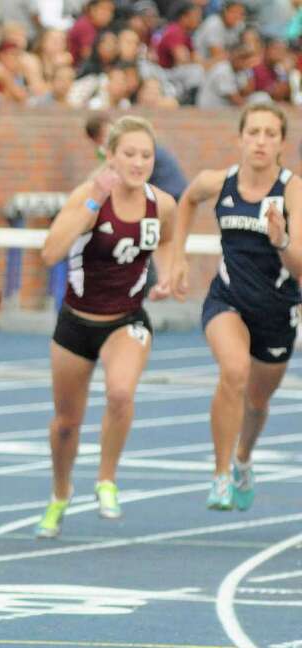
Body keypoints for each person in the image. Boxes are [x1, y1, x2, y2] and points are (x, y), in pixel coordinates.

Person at [35, 116, 178, 538]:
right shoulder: (88, 196)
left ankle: (106, 479)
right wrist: (93, 203)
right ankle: (60, 494)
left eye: (146, 155)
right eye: (129, 154)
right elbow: (50, 253)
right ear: (110, 155)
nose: (137, 163)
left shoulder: (161, 204)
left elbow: (168, 240)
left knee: (120, 392)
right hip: (77, 322)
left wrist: (168, 273)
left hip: (127, 320)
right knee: (66, 423)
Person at [164, 103, 302, 511]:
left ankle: (243, 459)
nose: (260, 141)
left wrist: (281, 240)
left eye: (269, 134)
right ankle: (221, 475)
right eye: (253, 132)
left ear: (281, 143)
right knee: (234, 371)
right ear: (240, 138)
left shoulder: (292, 190)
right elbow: (187, 200)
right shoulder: (217, 182)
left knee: (257, 403)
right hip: (228, 300)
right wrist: (177, 257)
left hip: (277, 313)